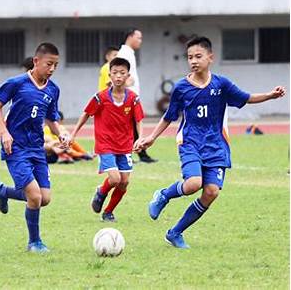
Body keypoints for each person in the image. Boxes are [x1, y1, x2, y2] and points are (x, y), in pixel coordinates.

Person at [135, 36, 286, 249]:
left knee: (211, 192)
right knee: (193, 184)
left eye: (198, 56)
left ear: (210, 57)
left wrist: (270, 95)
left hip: (216, 146)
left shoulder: (221, 84)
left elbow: (246, 97)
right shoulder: (181, 87)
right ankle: (163, 195)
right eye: (190, 57)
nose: (193, 61)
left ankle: (175, 232)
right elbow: (169, 116)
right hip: (190, 142)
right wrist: (151, 138)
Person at [0, 43, 70, 253]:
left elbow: (52, 119)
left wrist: (60, 133)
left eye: (56, 65)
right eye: (49, 64)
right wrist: (4, 132)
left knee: (45, 199)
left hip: (37, 148)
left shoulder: (53, 89)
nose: (52, 69)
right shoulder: (16, 83)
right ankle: (34, 243)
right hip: (15, 147)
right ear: (36, 61)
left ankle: (3, 191)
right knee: (34, 196)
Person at [72, 58, 144, 222]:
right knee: (115, 178)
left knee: (124, 182)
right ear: (109, 75)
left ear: (128, 76)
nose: (118, 76)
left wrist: (140, 139)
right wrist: (73, 134)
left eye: (122, 73)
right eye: (115, 73)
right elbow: (86, 114)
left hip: (125, 145)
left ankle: (108, 211)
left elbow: (138, 120)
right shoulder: (100, 97)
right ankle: (101, 192)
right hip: (105, 145)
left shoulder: (133, 98)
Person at [117, 28, 157, 163]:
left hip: (132, 96)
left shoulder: (129, 53)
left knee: (132, 126)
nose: (140, 41)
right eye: (138, 38)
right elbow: (118, 72)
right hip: (126, 97)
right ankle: (133, 153)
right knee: (129, 126)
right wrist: (125, 81)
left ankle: (139, 153)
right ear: (130, 37)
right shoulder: (124, 53)